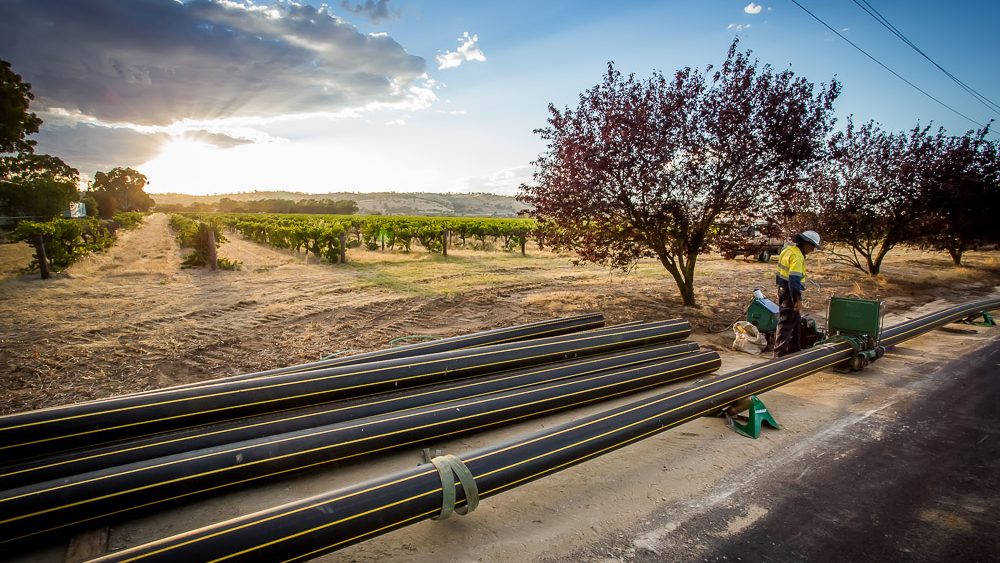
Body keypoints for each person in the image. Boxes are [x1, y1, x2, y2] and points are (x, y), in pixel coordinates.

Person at [774, 230, 821, 357]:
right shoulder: (798, 257)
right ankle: (779, 356)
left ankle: (794, 350)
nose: (812, 250)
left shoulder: (788, 250)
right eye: (812, 246)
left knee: (795, 321)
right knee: (786, 324)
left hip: (783, 290)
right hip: (790, 293)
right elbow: (794, 281)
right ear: (805, 243)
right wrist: (798, 299)